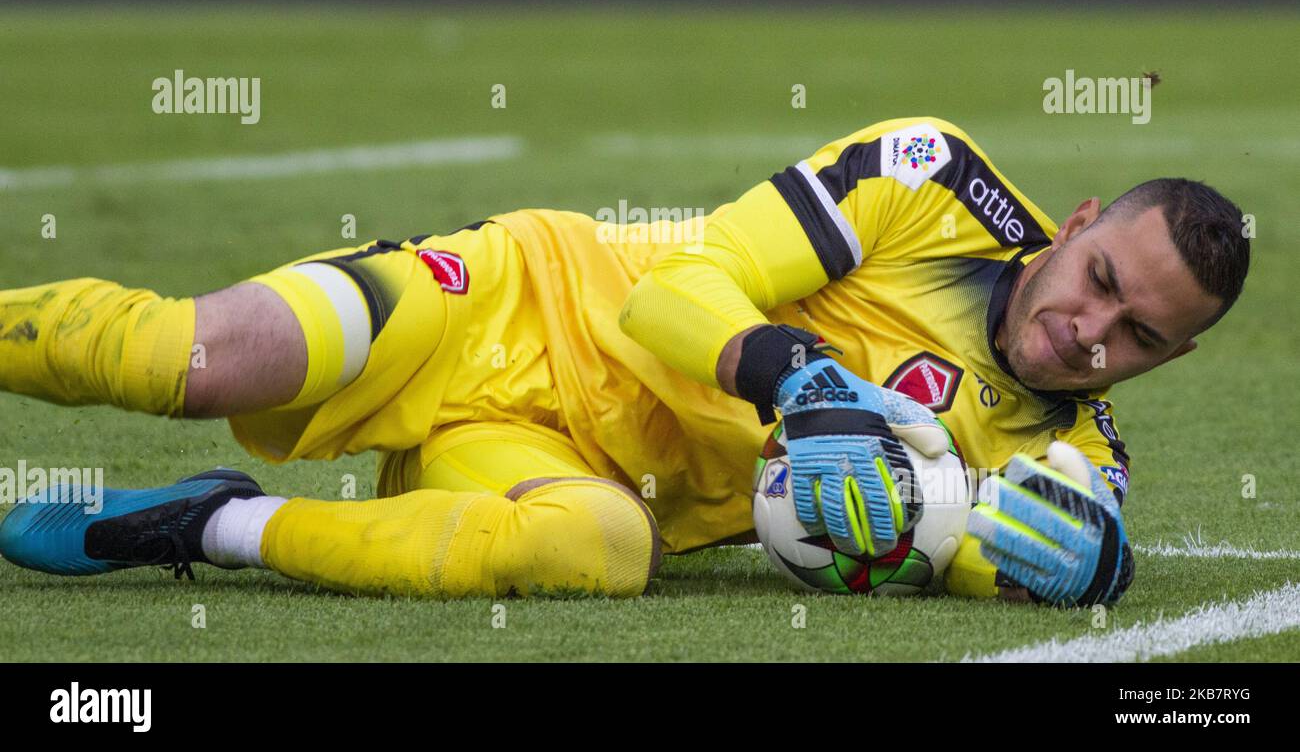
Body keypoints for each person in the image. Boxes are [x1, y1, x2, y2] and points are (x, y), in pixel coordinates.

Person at [0, 118, 1249, 606]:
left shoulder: (1074, 449)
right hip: (509, 297)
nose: (1092, 333)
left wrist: (1098, 566)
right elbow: (679, 281)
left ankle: (207, 523)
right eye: (1100, 283)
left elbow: (991, 554)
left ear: (1174, 355)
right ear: (1076, 223)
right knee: (192, 358)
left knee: (593, 553)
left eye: (1138, 336)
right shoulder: (933, 181)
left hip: (568, 463)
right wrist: (798, 377)